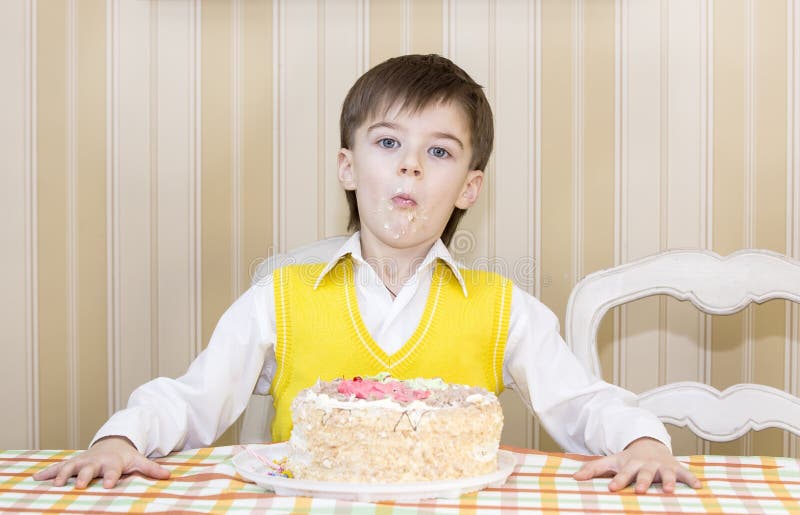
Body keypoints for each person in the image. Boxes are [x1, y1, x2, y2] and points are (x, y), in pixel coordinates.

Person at [35, 54, 701, 494]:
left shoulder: (503, 308)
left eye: (438, 151)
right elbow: (192, 398)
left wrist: (644, 441)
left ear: (469, 187)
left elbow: (583, 402)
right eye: (388, 143)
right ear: (348, 168)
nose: (410, 165)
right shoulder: (280, 297)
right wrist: (121, 437)